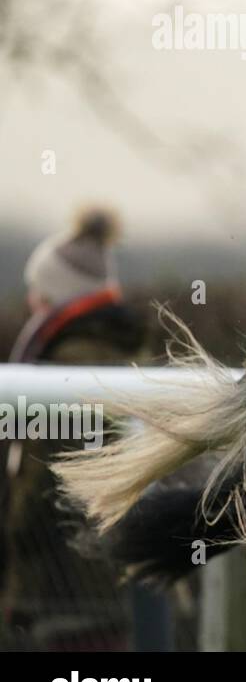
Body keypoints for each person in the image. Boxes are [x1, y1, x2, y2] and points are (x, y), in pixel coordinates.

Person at [3, 208, 146, 648]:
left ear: (57, 300)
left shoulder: (65, 373)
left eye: (39, 294)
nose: (31, 303)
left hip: (63, 593)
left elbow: (39, 489)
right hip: (116, 588)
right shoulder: (126, 359)